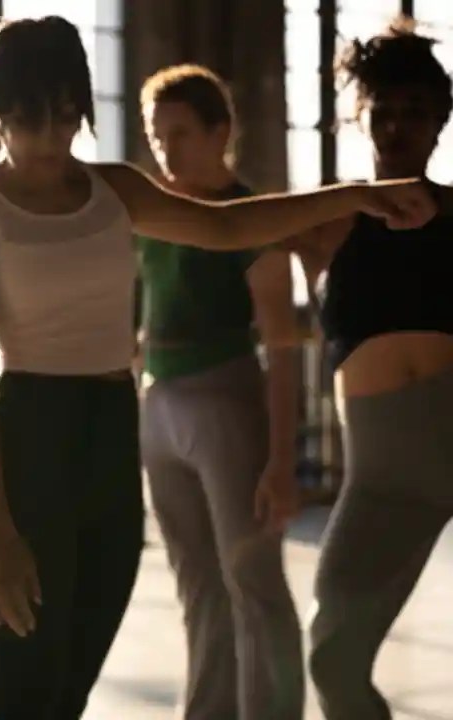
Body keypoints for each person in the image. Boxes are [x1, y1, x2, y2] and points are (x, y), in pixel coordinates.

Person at [0, 15, 435, 720]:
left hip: (110, 439)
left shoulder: (114, 189)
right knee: (23, 695)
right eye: (29, 120)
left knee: (69, 690)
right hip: (24, 439)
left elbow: (227, 225)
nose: (51, 140)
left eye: (66, 116)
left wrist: (355, 196)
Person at [283, 19, 453, 720]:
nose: (397, 126)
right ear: (360, 116)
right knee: (332, 657)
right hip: (382, 478)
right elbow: (231, 228)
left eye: (415, 111)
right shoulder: (329, 219)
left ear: (441, 121)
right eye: (383, 110)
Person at [136, 63, 304, 720]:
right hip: (158, 404)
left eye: (179, 133)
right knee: (197, 586)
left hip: (226, 398)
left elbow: (283, 345)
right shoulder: (153, 217)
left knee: (253, 582)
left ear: (220, 132)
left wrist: (282, 461)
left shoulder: (251, 219)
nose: (165, 149)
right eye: (157, 135)